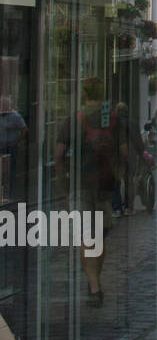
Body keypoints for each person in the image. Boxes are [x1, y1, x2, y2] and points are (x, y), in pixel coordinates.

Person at [55, 78, 123, 307]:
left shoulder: (75, 119)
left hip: (80, 185)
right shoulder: (111, 119)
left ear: (83, 95)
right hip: (104, 185)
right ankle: (95, 280)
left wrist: (65, 183)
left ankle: (94, 287)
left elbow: (58, 155)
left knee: (86, 238)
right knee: (99, 237)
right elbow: (123, 152)